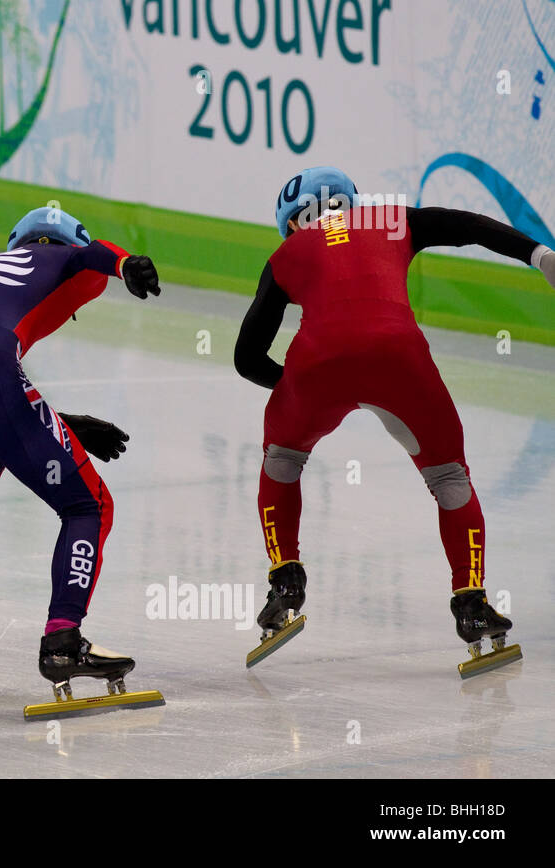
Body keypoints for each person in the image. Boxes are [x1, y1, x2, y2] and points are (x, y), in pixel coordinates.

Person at [235, 166, 555, 669]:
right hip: (399, 357)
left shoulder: (286, 254)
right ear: (353, 203)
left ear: (291, 224)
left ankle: (286, 581)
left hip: (316, 364)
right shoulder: (389, 220)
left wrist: (304, 385)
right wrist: (539, 256)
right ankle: (470, 603)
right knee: (449, 474)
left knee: (282, 460)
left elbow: (246, 358)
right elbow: (471, 226)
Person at [0, 205, 161, 695]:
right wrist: (126, 264)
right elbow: (92, 258)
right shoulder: (63, 258)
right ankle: (63, 639)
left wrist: (68, 426)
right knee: (89, 504)